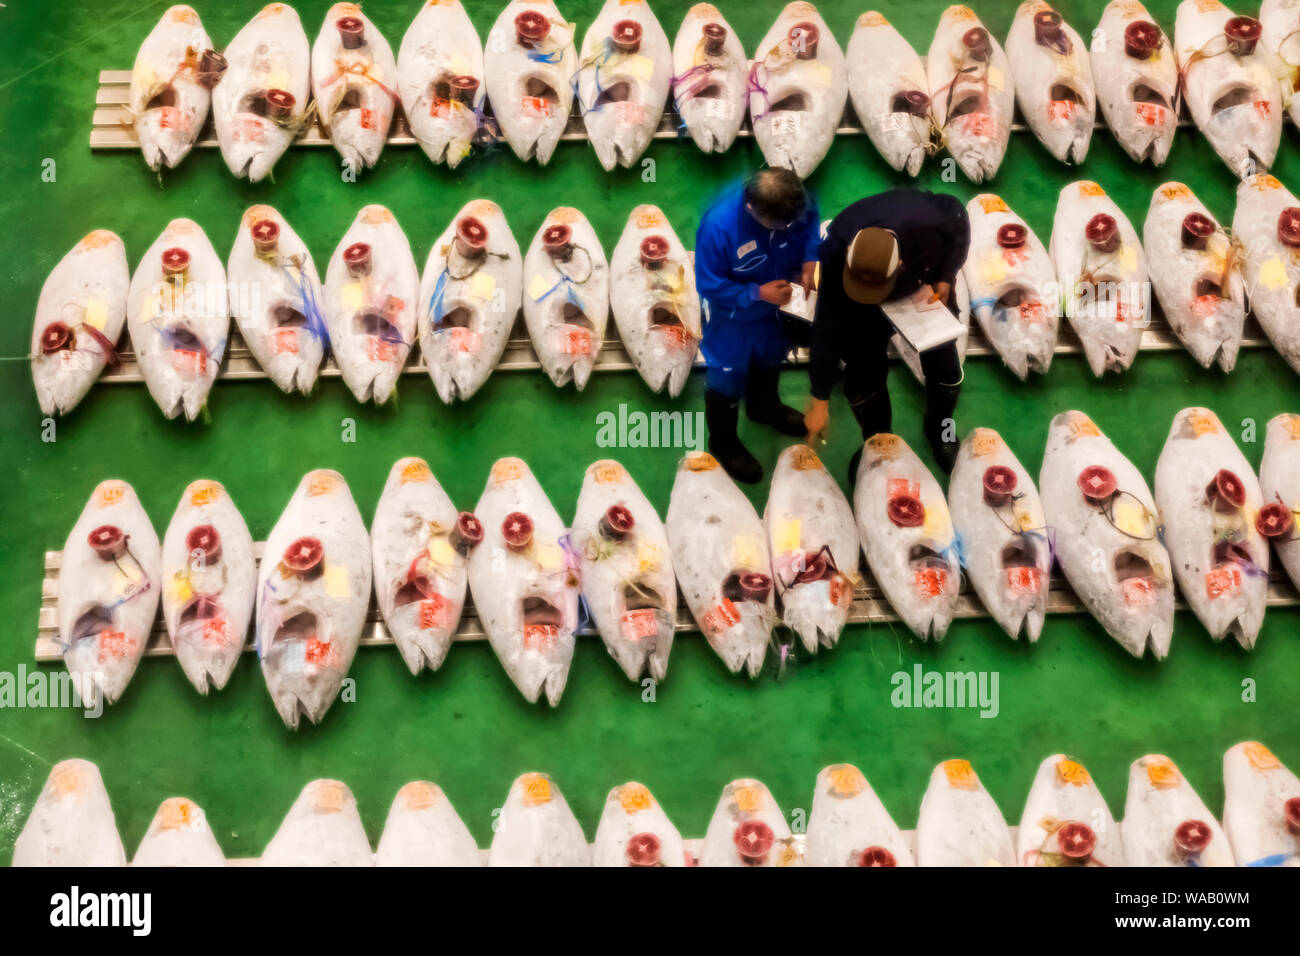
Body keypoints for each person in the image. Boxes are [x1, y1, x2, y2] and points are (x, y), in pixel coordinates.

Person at [804, 188, 970, 480]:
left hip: (921, 290)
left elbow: (959, 217)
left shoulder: (929, 219)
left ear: (901, 264)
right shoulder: (834, 248)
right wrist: (819, 399)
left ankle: (940, 430)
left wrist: (946, 275)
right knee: (862, 376)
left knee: (945, 367)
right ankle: (879, 442)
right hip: (857, 307)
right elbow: (825, 326)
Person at [694, 168, 822, 483]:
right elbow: (708, 284)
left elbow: (811, 220)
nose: (792, 226)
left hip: (777, 312)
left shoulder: (794, 201)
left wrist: (809, 257)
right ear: (753, 210)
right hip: (735, 320)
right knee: (726, 375)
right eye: (783, 225)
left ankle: (764, 407)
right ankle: (723, 442)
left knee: (771, 356)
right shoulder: (718, 229)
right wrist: (757, 292)